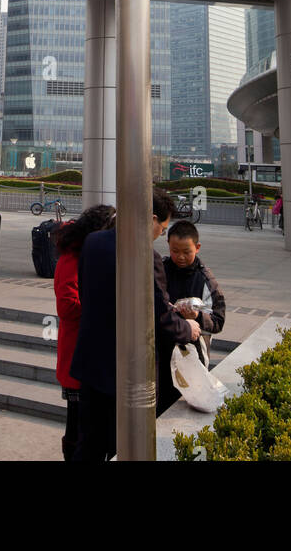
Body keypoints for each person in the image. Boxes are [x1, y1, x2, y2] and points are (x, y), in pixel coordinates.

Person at [70, 188, 197, 462]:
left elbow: (87, 292)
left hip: (91, 363)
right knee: (124, 446)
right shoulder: (145, 255)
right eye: (162, 230)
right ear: (151, 219)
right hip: (125, 371)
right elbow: (160, 315)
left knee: (89, 445)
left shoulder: (92, 242)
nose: (159, 237)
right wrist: (189, 329)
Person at [53, 204, 116, 462]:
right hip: (78, 352)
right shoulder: (73, 258)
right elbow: (67, 306)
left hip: (88, 351)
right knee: (78, 423)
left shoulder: (84, 254)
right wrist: (100, 304)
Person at [157, 220, 226, 416]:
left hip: (191, 355)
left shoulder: (205, 279)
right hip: (160, 353)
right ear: (168, 245)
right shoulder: (159, 269)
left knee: (184, 409)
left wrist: (197, 316)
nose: (180, 257)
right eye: (174, 250)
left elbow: (219, 321)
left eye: (186, 252)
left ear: (197, 247)